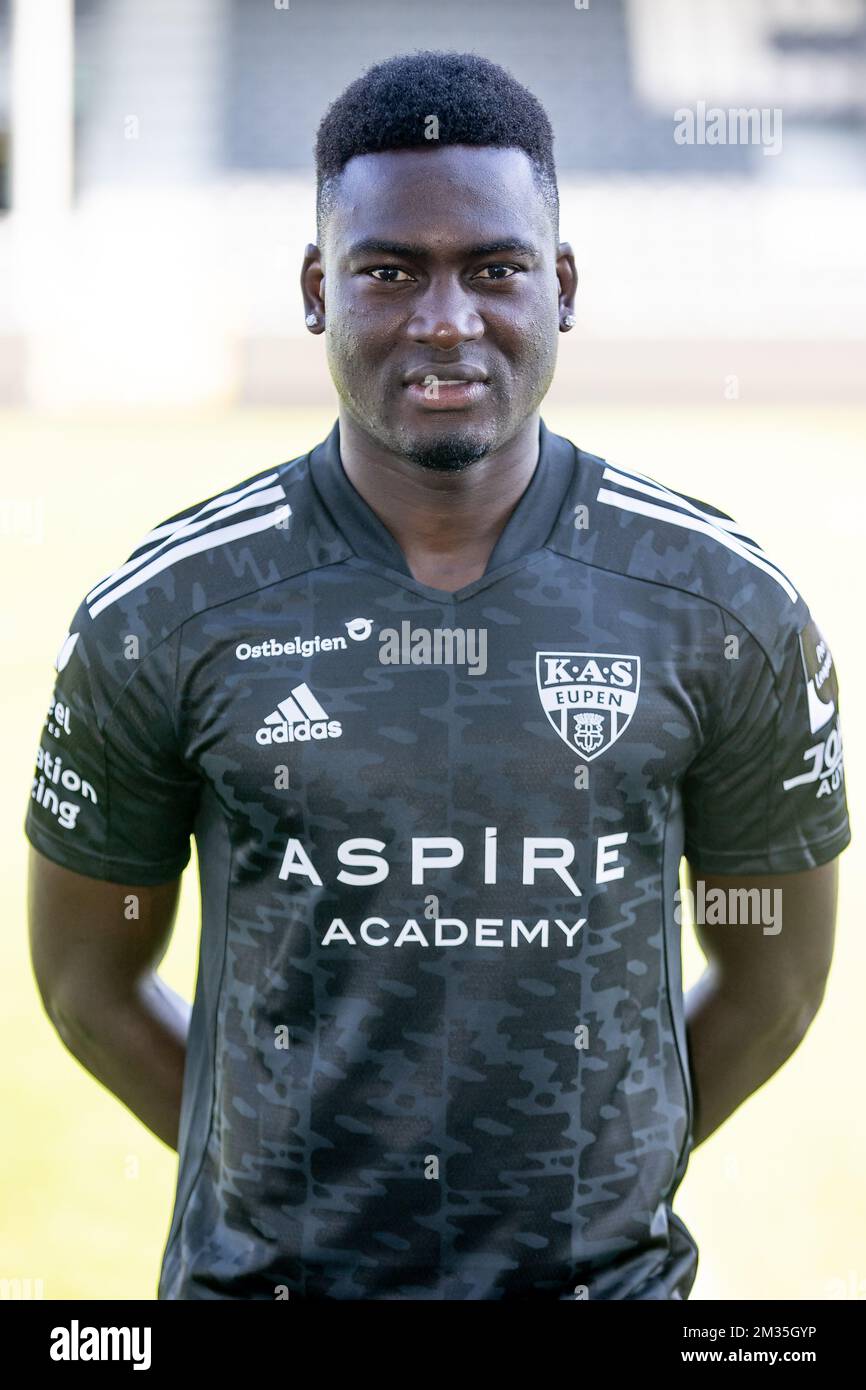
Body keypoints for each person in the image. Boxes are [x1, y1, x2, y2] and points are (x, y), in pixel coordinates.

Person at [26, 50, 851, 1301]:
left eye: (494, 268)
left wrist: (584, 1186)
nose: (445, 319)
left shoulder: (722, 607)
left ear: (561, 285)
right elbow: (87, 978)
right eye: (388, 270)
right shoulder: (164, 613)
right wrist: (280, 1182)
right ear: (317, 289)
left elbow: (772, 982)